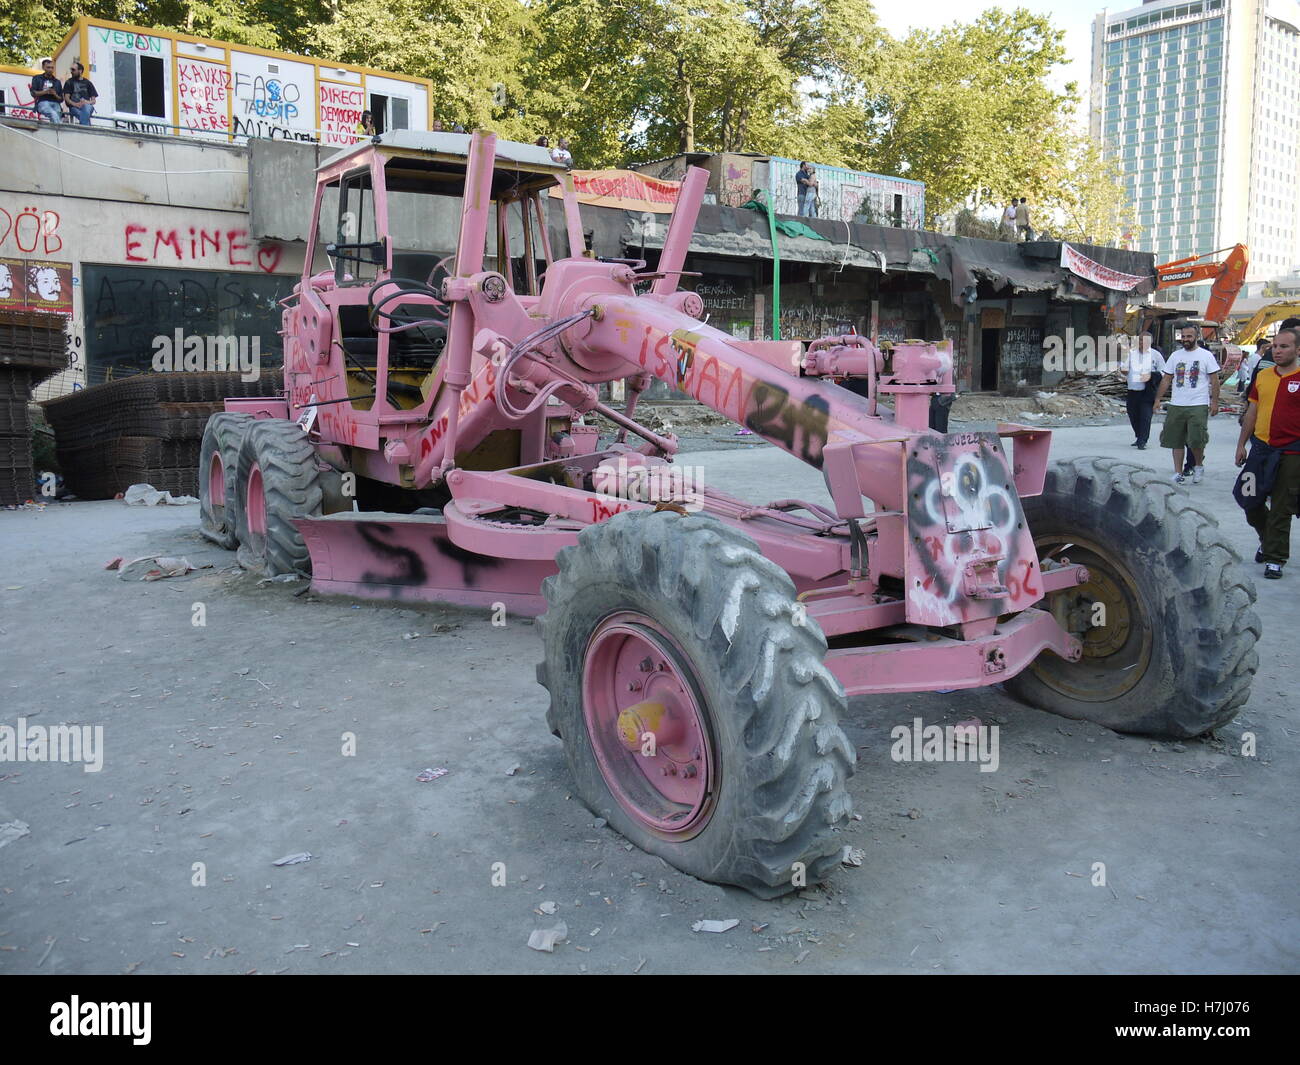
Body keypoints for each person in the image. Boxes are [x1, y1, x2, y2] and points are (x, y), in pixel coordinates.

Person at [1234, 326, 1300, 579]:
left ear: (1297, 349)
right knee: (1248, 499)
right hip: (1261, 450)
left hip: (1292, 453)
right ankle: (1267, 538)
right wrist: (1241, 445)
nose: (1278, 350)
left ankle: (1275, 558)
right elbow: (1251, 413)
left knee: (1282, 507)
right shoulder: (1263, 376)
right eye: (1275, 346)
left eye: (1284, 346)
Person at [1154, 323, 1220, 484]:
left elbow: (1214, 380)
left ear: (1196, 336)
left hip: (1198, 404)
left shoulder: (1206, 356)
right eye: (1183, 336)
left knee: (1196, 439)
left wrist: (1214, 402)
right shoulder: (1175, 356)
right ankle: (1178, 472)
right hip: (1177, 404)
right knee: (1175, 440)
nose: (1185, 339)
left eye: (1189, 336)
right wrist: (1157, 399)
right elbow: (1167, 379)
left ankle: (1198, 466)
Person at [1118, 331, 1164, 449]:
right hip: (1133, 390)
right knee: (1133, 414)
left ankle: (1142, 440)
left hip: (1147, 391)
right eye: (1141, 340)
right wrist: (1123, 370)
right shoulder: (1132, 354)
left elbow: (1164, 372)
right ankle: (1139, 436)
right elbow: (1124, 368)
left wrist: (1151, 376)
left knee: (1145, 416)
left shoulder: (1156, 355)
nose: (1142, 342)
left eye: (1145, 340)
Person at [29, 59, 63, 123]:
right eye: (48, 67)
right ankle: (59, 132)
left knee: (58, 117)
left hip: (55, 103)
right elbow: (33, 93)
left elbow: (61, 99)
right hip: (42, 102)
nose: (50, 70)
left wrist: (55, 94)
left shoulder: (57, 82)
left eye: (52, 68)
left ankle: (56, 131)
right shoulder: (37, 78)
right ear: (43, 67)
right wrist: (46, 92)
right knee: (53, 114)